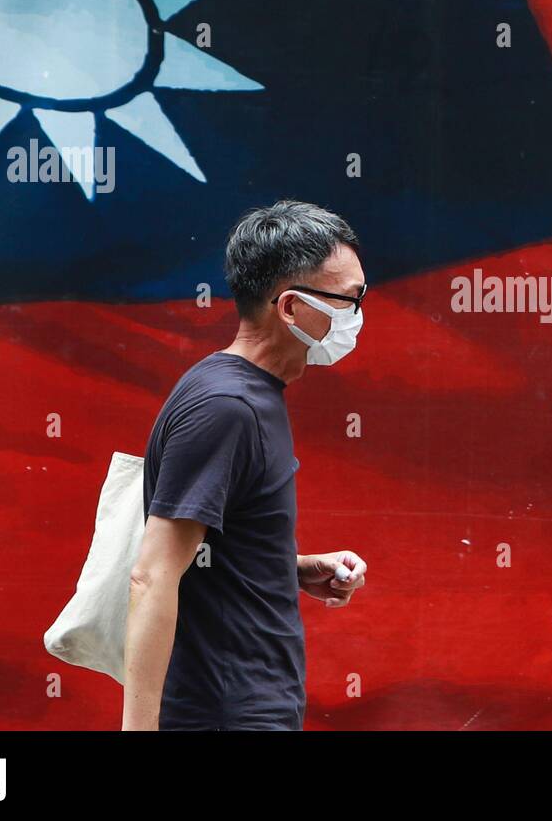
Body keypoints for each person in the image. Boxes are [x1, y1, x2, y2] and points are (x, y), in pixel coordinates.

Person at [122, 200, 370, 731]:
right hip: (225, 715)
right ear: (290, 308)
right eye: (349, 300)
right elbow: (152, 575)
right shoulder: (226, 406)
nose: (358, 316)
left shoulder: (249, 393)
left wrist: (289, 569)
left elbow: (206, 553)